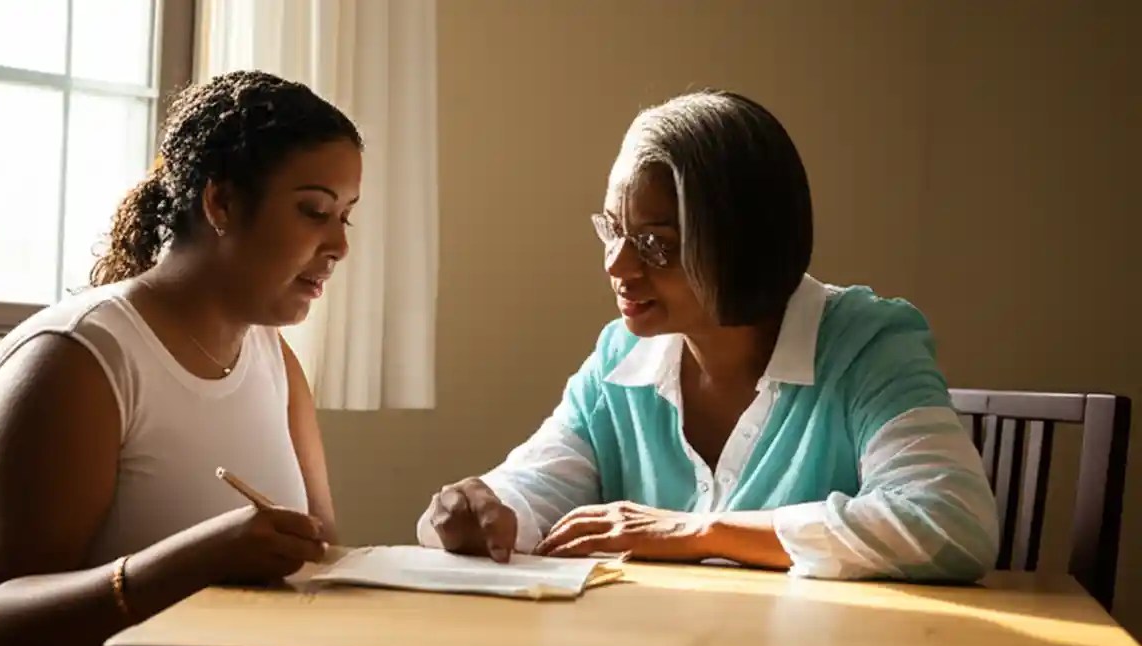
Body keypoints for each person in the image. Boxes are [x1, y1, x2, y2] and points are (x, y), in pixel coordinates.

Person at [0, 70, 362, 646]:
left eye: (346, 218)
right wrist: (192, 561)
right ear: (220, 205)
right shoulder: (75, 358)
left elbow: (317, 553)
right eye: (314, 211)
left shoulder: (275, 361)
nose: (340, 246)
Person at [417, 90, 999, 581]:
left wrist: (698, 533)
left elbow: (950, 522)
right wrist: (488, 510)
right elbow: (539, 483)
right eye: (612, 231)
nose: (617, 267)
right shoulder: (620, 359)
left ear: (742, 240)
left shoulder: (868, 345)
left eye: (656, 243)